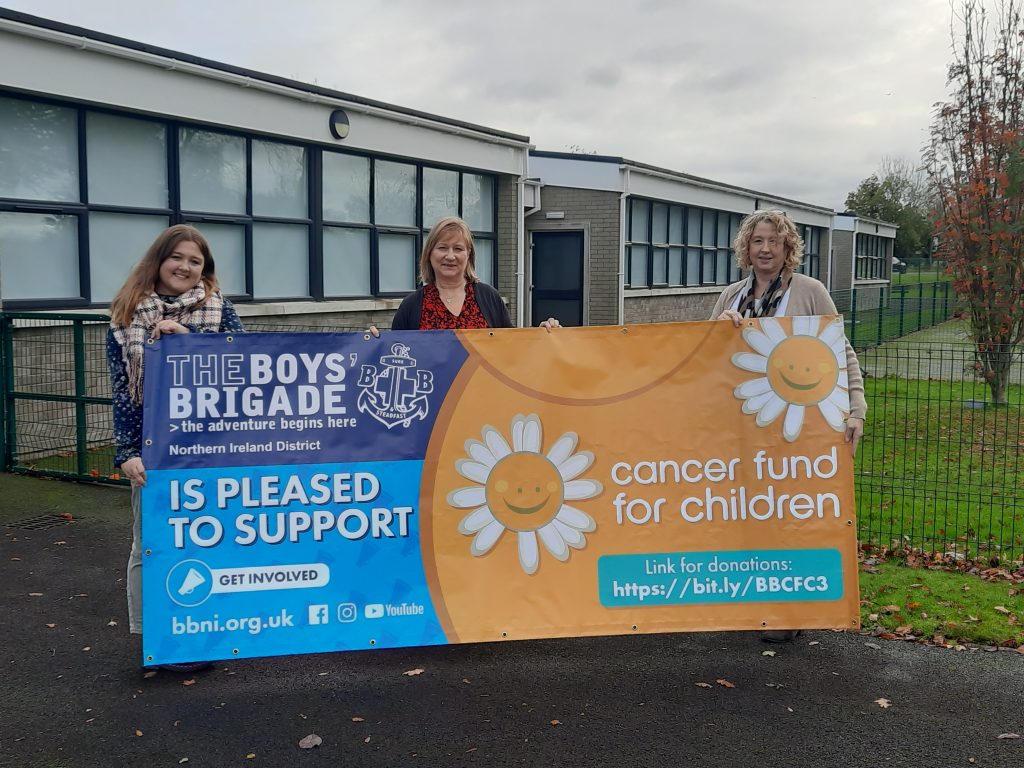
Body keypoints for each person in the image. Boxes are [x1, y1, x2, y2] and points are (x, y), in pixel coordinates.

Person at [711, 209, 867, 643]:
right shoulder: (730, 296)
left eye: (773, 242)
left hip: (797, 424)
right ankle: (755, 602)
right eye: (758, 241)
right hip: (742, 424)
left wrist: (856, 408)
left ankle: (789, 610)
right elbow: (701, 357)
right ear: (747, 247)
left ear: (787, 249)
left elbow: (840, 352)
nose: (765, 249)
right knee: (751, 513)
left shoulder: (810, 292)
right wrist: (717, 330)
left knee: (791, 515)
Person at [107, 224, 244, 671]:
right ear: (160, 260)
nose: (185, 267)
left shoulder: (219, 311)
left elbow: (249, 362)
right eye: (178, 257)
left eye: (195, 261)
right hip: (154, 447)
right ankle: (155, 640)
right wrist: (126, 450)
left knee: (211, 536)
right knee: (149, 543)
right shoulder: (128, 314)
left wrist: (193, 343)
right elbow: (122, 391)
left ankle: (207, 633)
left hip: (212, 445)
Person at [389, 216, 560, 331]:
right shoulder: (411, 305)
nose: (450, 256)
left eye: (458, 249)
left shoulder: (489, 297)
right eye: (442, 248)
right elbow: (393, 356)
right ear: (430, 253)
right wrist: (369, 342)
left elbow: (511, 351)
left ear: (468, 254)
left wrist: (541, 336)